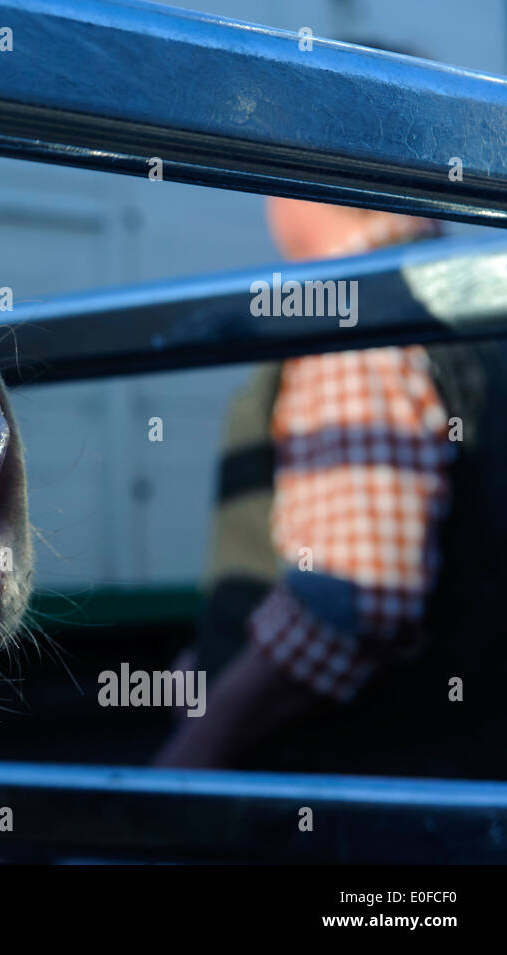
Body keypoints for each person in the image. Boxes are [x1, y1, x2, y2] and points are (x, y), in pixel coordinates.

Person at [156, 196, 507, 776]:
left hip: (334, 776)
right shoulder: (454, 300)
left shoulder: (351, 311)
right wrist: (212, 660)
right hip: (445, 763)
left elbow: (354, 598)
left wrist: (196, 750)